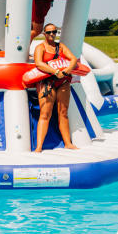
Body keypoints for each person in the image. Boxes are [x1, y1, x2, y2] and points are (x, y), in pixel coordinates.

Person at [31, 23, 79, 153]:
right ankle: (39, 147)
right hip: (46, 83)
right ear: (44, 34)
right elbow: (39, 63)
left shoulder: (61, 47)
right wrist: (55, 72)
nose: (52, 34)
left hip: (63, 82)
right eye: (49, 32)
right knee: (45, 114)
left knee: (63, 113)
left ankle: (68, 143)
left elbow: (73, 59)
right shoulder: (40, 47)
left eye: (54, 32)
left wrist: (67, 71)